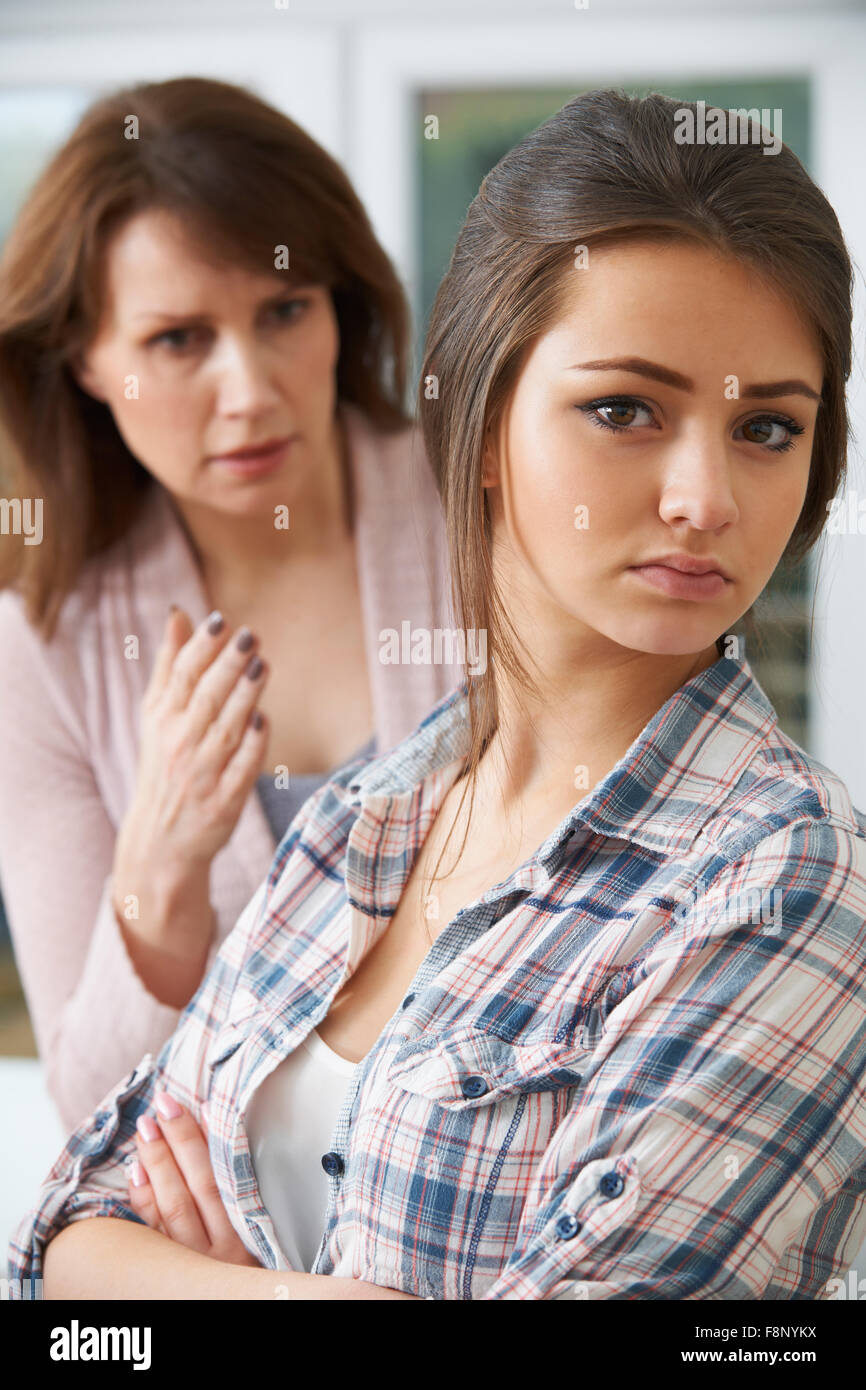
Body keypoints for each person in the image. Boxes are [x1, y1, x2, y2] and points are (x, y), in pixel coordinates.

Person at [8, 88, 866, 1301]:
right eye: (624, 408)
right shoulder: (374, 807)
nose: (704, 499)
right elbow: (52, 1249)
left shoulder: (781, 882)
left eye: (767, 427)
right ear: (474, 425)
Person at [0, 77, 461, 1132]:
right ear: (84, 362)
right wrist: (159, 867)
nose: (248, 388)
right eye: (177, 340)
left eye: (284, 311)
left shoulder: (478, 507)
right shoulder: (41, 644)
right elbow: (89, 1104)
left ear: (340, 306)